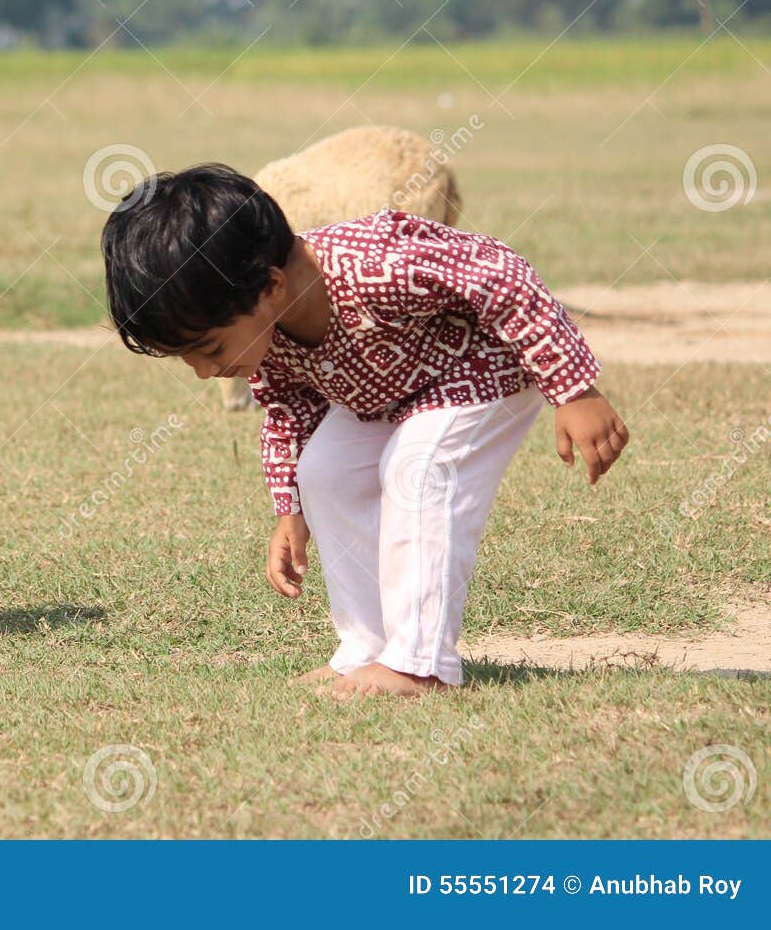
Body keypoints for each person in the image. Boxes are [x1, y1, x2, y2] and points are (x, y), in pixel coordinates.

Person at [101, 164, 629, 697]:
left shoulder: (376, 263)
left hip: (483, 367)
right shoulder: (266, 327)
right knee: (324, 471)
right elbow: (288, 410)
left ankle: (420, 664)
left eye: (210, 348)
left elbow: (502, 275)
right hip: (395, 394)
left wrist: (573, 390)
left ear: (272, 286)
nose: (203, 372)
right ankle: (368, 649)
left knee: (417, 469)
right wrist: (290, 510)